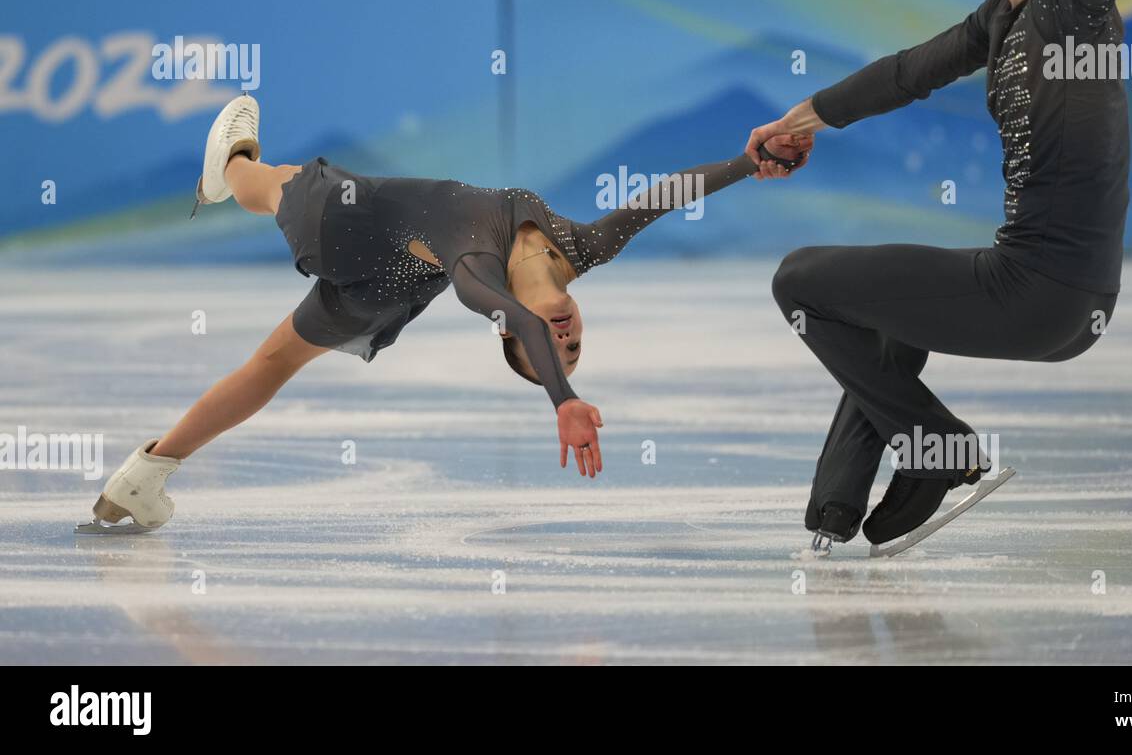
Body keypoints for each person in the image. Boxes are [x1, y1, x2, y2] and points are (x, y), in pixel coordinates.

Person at [79, 95, 810, 533]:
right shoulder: (584, 248)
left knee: (277, 183)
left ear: (515, 339)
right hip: (395, 275)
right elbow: (660, 196)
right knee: (271, 365)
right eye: (576, 347)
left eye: (551, 354)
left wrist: (566, 396)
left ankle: (229, 163)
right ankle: (148, 471)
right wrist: (752, 162)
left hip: (345, 227)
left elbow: (520, 323)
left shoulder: (477, 278)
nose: (563, 342)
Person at [745, 0, 1132, 549]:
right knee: (889, 313)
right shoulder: (1001, 18)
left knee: (798, 282)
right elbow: (906, 74)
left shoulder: (1065, 8)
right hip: (1072, 302)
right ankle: (837, 509)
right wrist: (797, 123)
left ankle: (938, 443)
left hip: (1037, 290)